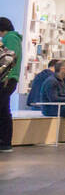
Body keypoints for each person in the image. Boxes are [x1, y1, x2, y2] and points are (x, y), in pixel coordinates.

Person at [0, 16, 21, 152]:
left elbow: (9, 57)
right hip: (9, 78)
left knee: (3, 110)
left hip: (6, 79)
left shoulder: (11, 38)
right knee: (3, 109)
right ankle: (5, 142)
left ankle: (5, 141)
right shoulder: (13, 38)